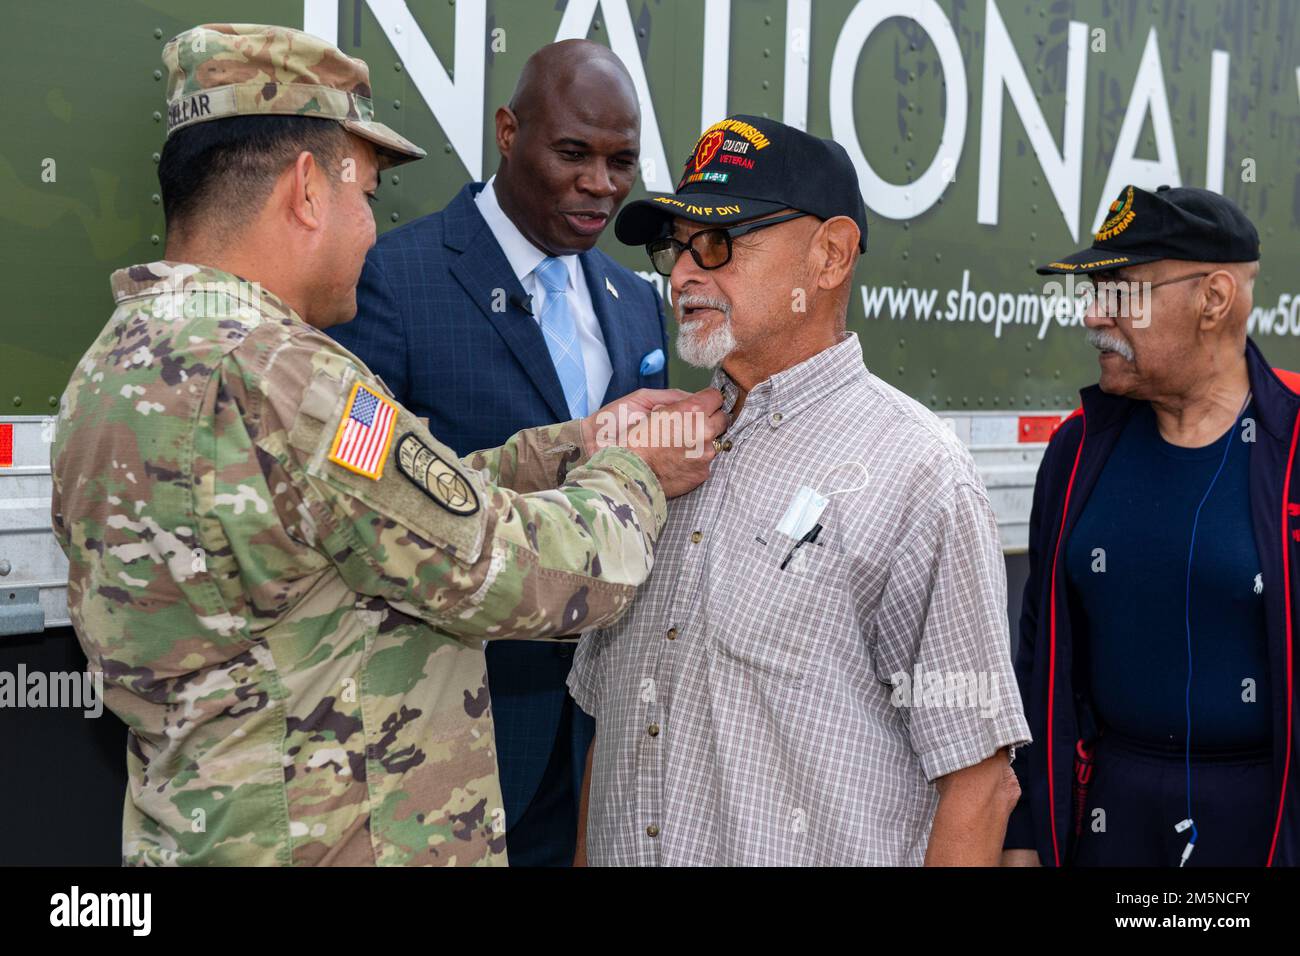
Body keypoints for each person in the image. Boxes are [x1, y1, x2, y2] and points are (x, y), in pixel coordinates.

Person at [49, 22, 724, 867]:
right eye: (365, 193)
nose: (371, 226)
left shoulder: (116, 362)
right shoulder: (290, 380)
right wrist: (635, 471)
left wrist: (577, 443)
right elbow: (503, 570)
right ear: (306, 189)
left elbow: (374, 515)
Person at [569, 115, 1030, 866]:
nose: (684, 273)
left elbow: (979, 786)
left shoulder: (919, 476)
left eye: (717, 243)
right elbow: (612, 737)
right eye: (675, 247)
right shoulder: (656, 456)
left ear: (830, 255)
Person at [328, 39, 668, 866]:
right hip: (450, 739)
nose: (601, 185)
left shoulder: (636, 302)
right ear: (507, 132)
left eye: (622, 161)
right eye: (574, 153)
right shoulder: (389, 278)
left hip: (605, 736)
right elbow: (363, 515)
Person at [1004, 184, 1300, 867]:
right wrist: (1023, 835)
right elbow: (1035, 662)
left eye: (1123, 292)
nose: (1094, 316)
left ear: (1215, 298)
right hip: (1111, 822)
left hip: (1266, 826)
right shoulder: (1077, 452)